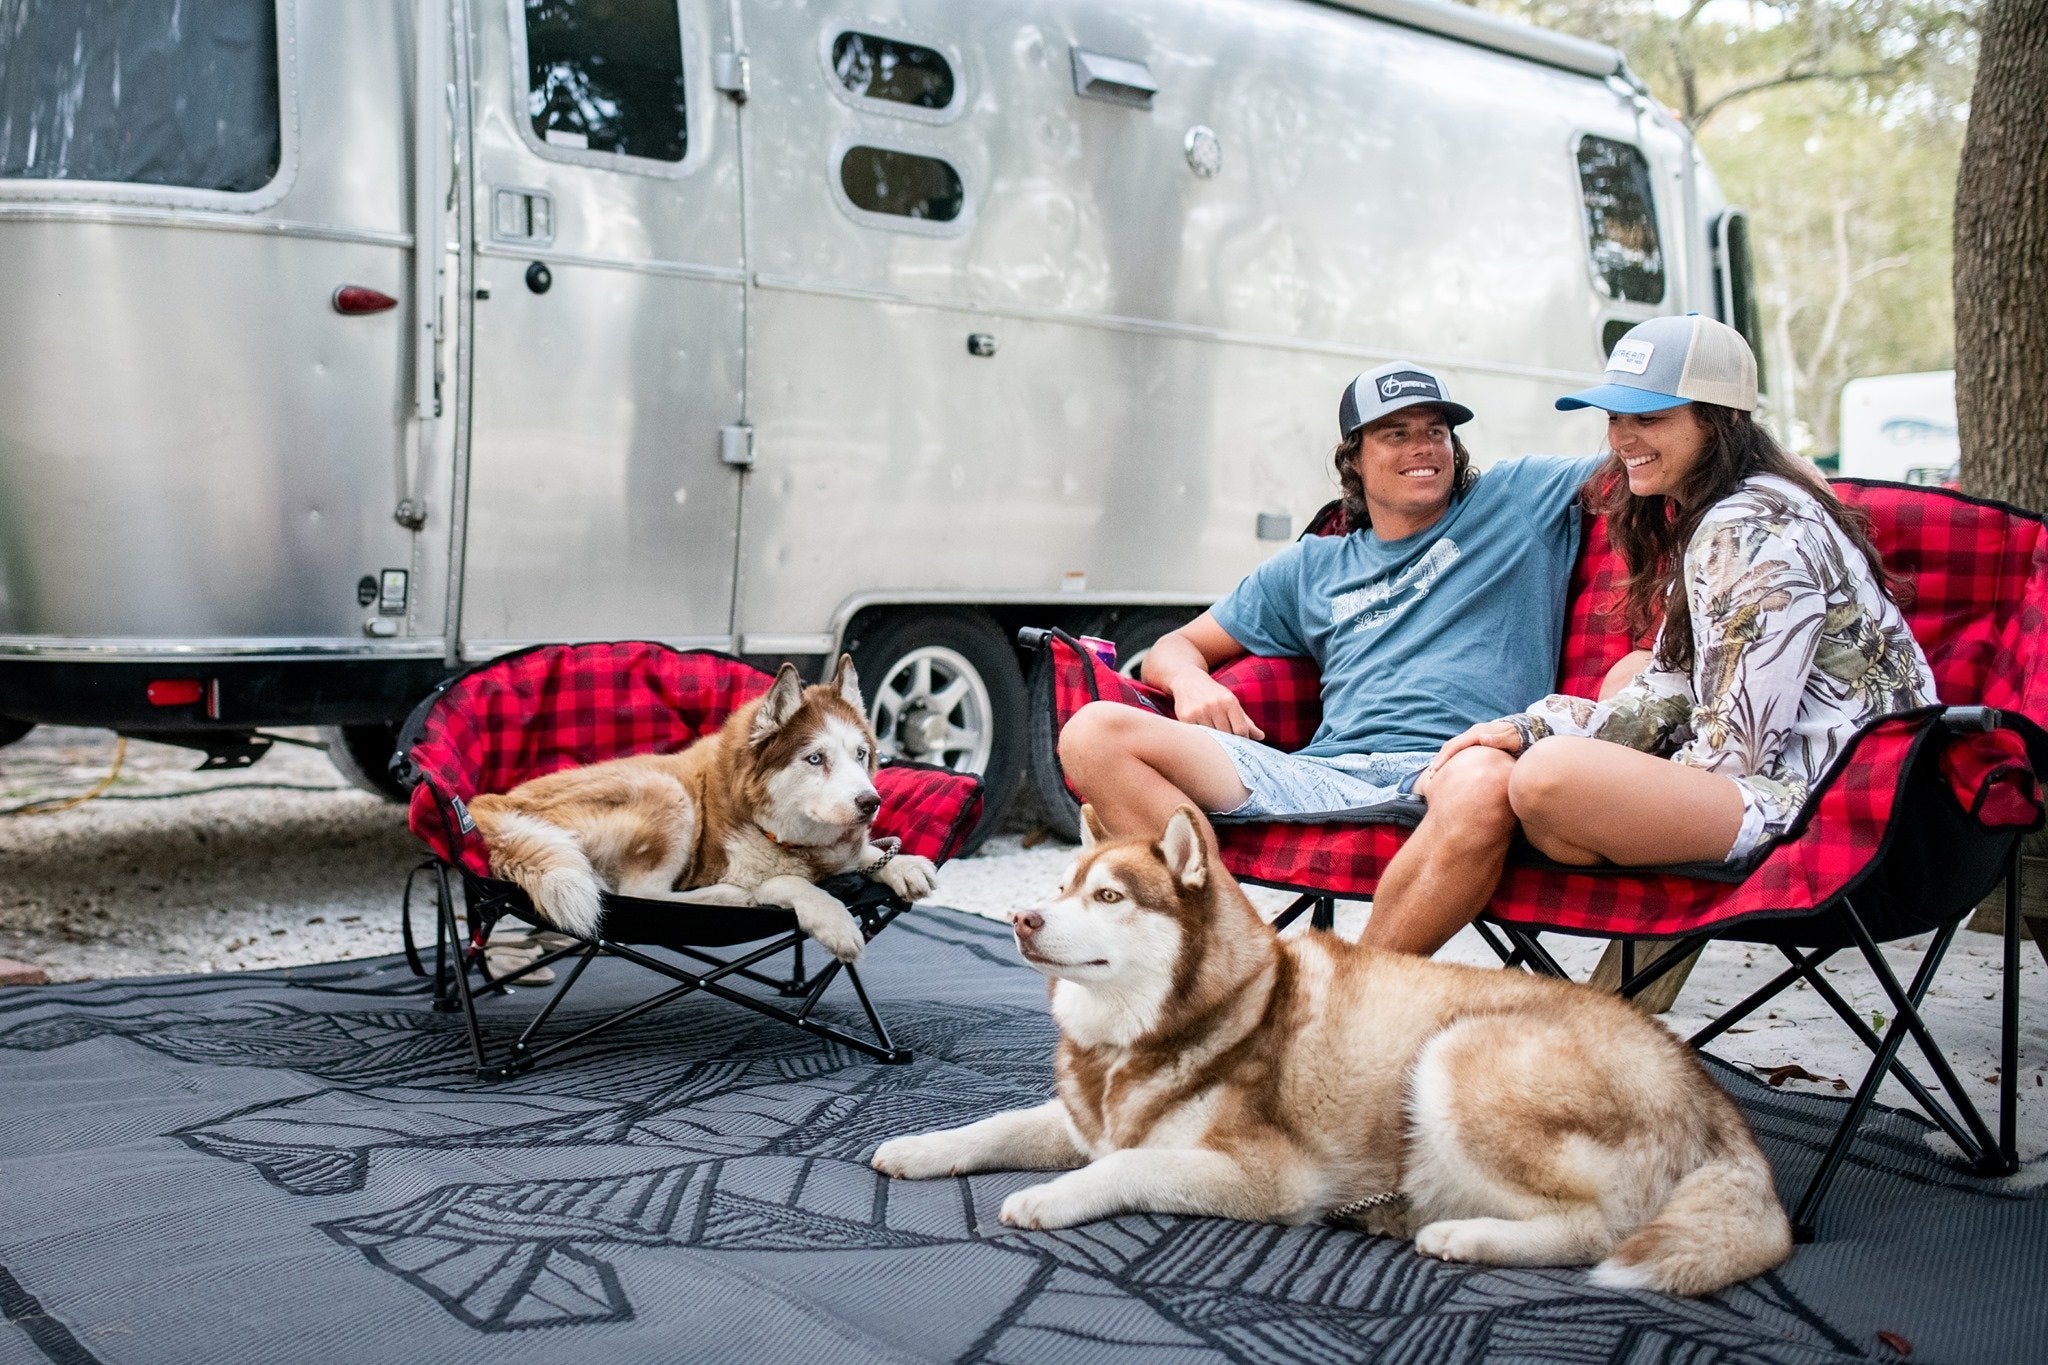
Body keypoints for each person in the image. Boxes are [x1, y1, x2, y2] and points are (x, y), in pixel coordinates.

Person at [1380, 314, 1937, 955]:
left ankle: (1352, 998)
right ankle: (1359, 988)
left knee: (1545, 783)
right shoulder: (1720, 508)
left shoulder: (1749, 529)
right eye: (1615, 417)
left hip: (1840, 806)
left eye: (1649, 418)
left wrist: (1594, 783)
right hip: (1793, 778)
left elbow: (1735, 749)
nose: (1623, 438)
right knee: (1542, 758)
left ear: (1719, 419)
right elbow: (1673, 683)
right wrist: (1536, 727)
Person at [1058, 361, 1601, 948]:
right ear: (1355, 458)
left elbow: (1648, 457)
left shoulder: (1516, 499)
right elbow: (1173, 647)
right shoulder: (1312, 566)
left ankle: (1347, 1001)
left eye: (1436, 431)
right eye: (1397, 433)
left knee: (1489, 778)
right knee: (1092, 732)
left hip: (1450, 765)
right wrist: (1193, 683)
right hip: (1326, 771)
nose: (1423, 447)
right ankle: (1243, 957)